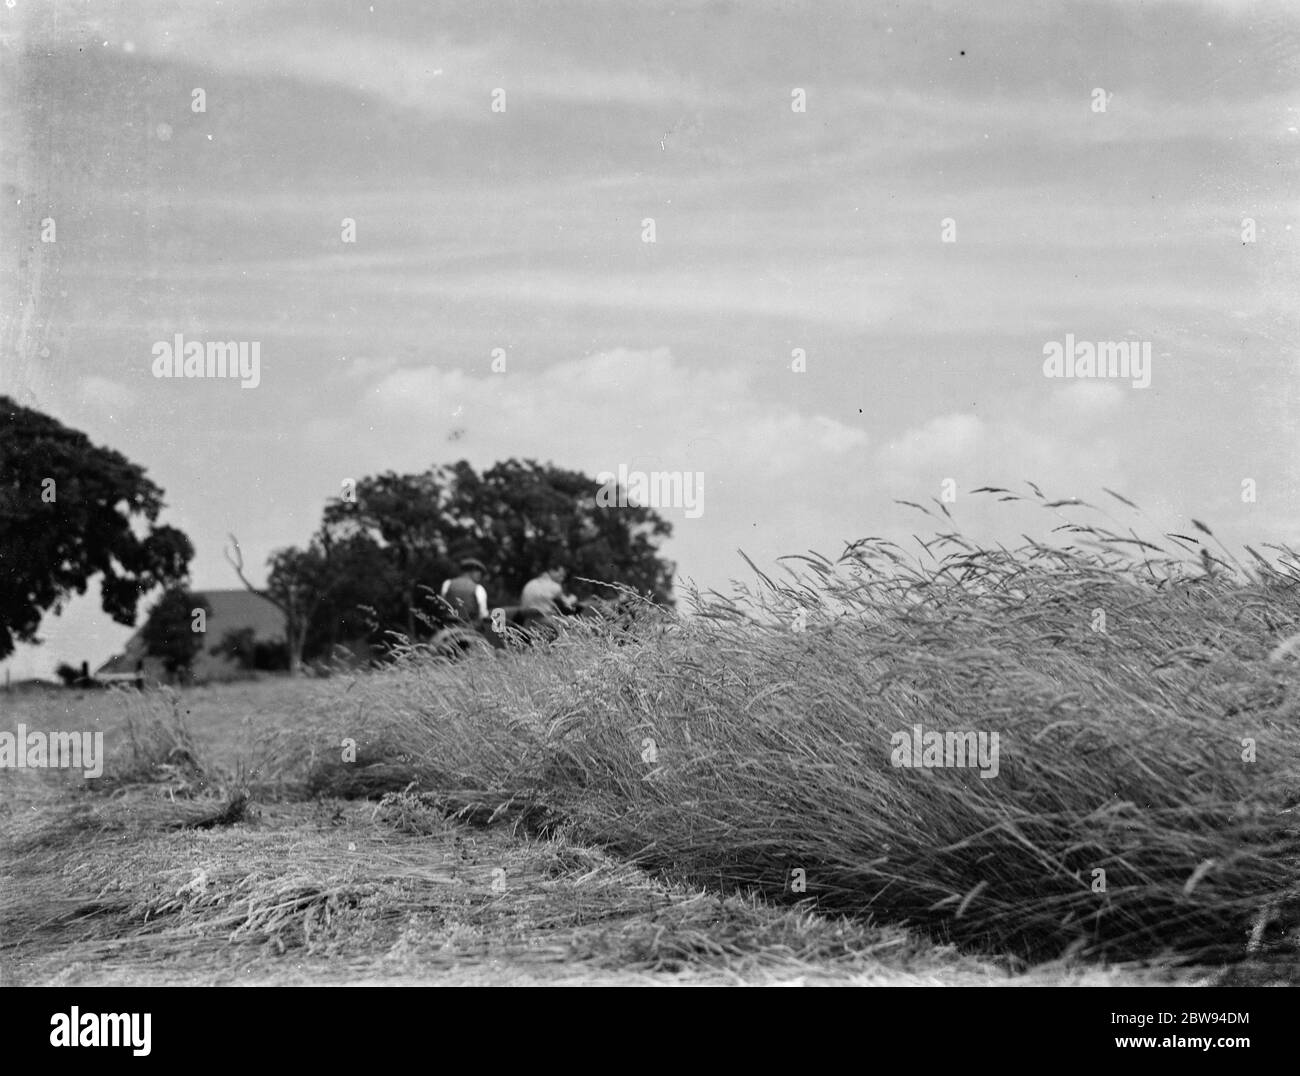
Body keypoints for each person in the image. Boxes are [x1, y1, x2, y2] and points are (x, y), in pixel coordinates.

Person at [440, 558, 490, 627]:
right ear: (472, 571)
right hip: (468, 629)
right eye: (479, 573)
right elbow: (483, 615)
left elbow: (442, 605)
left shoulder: (447, 584)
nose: (480, 576)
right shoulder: (478, 588)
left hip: (447, 627)